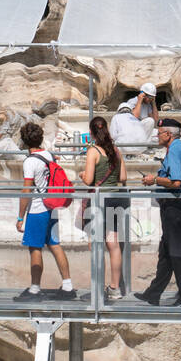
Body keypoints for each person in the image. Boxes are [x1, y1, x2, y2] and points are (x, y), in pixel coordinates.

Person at [134, 118, 181, 307]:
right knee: (166, 252)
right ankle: (153, 294)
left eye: (159, 132)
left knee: (177, 252)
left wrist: (154, 180)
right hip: (175, 206)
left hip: (175, 207)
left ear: (168, 134)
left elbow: (176, 182)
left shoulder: (176, 151)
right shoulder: (178, 149)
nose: (157, 136)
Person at [17, 121, 75, 300]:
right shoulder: (48, 155)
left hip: (37, 209)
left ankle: (35, 288)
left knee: (35, 248)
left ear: (25, 141)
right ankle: (68, 286)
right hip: (51, 205)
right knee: (54, 244)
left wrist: (20, 217)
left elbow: (26, 191)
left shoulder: (30, 162)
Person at [81, 114, 128, 301]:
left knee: (96, 243)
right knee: (114, 244)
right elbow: (122, 177)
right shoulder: (116, 150)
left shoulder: (93, 151)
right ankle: (115, 289)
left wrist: (81, 174)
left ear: (92, 132)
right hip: (115, 198)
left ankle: (97, 287)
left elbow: (89, 180)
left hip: (99, 200)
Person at [110, 82, 157, 151]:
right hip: (134, 130)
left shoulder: (148, 104)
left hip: (141, 131)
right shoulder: (132, 101)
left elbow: (155, 120)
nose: (150, 99)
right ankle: (143, 147)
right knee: (149, 121)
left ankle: (144, 145)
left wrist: (153, 103)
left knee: (156, 131)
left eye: (152, 98)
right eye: (149, 97)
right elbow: (133, 117)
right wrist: (139, 101)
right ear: (143, 94)